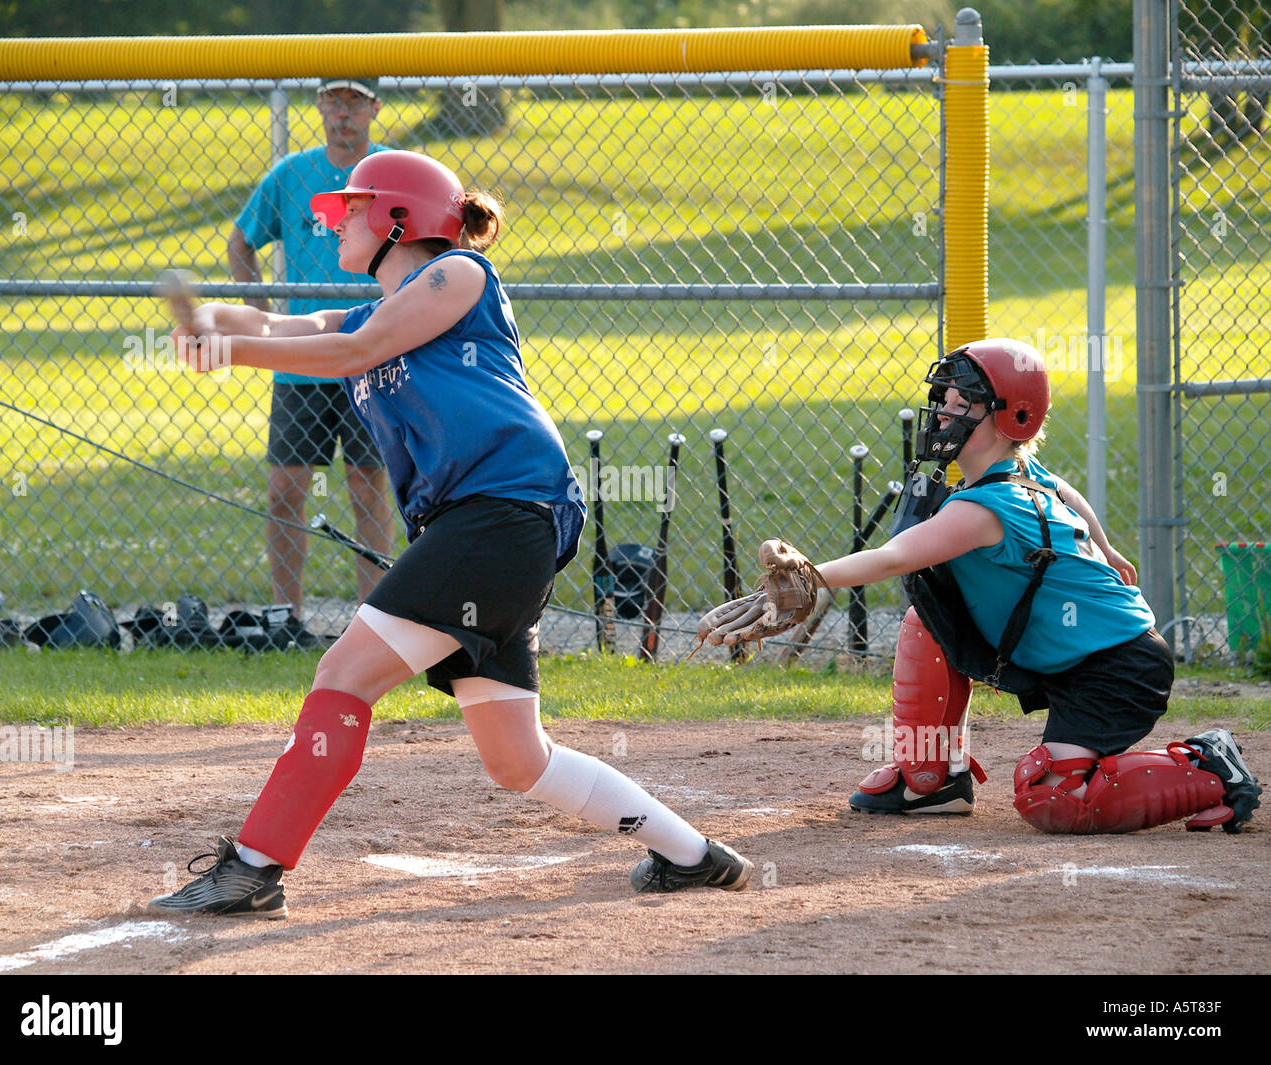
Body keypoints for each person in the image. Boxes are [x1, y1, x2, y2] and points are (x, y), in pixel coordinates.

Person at [149, 150, 753, 917]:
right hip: (492, 525)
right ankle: (692, 855)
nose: (336, 219)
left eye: (356, 207)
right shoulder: (371, 311)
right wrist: (218, 322)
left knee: (343, 674)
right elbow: (285, 323)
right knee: (517, 758)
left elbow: (349, 353)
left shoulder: (459, 274)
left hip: (500, 510)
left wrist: (229, 350)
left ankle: (252, 870)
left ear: (401, 217)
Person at [701, 339, 1261, 835]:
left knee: (1051, 795)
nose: (943, 414)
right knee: (934, 609)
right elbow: (1064, 489)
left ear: (1011, 418)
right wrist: (1104, 545)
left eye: (962, 404)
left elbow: (895, 556)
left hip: (1116, 670)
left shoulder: (984, 507)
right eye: (943, 399)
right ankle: (932, 776)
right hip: (1076, 653)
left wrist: (813, 577)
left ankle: (1209, 768)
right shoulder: (1018, 473)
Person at [229, 77, 395, 643]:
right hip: (302, 357)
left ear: (374, 108)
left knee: (367, 486)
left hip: (371, 353)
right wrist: (261, 314)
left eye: (354, 101)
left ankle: (372, 624)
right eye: (331, 100)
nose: (342, 113)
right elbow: (240, 241)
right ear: (319, 107)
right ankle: (286, 618)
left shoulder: (388, 172)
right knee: (284, 488)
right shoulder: (291, 175)